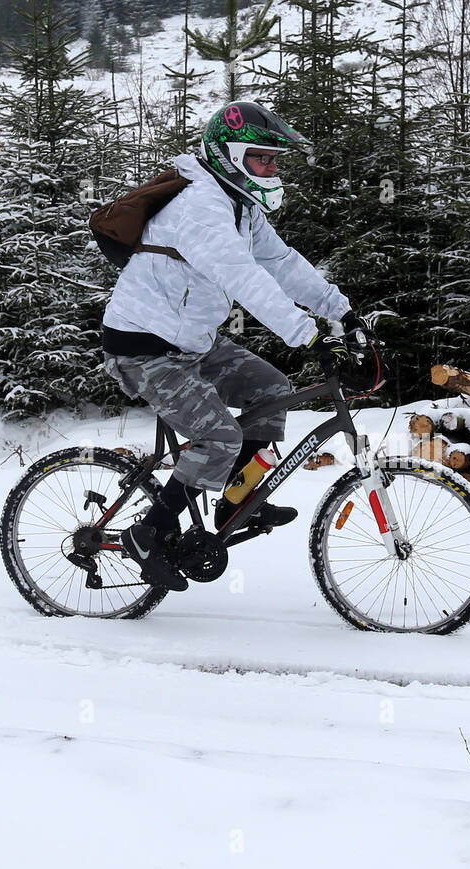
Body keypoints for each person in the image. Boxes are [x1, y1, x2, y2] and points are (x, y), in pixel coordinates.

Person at [101, 101, 364, 591]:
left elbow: (282, 264)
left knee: (272, 391)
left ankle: (235, 499)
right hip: (143, 346)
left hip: (191, 340)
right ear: (230, 155)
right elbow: (244, 278)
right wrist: (307, 334)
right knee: (218, 436)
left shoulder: (239, 203)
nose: (273, 168)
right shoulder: (201, 209)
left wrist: (342, 312)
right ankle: (149, 531)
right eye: (264, 157)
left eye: (275, 160)